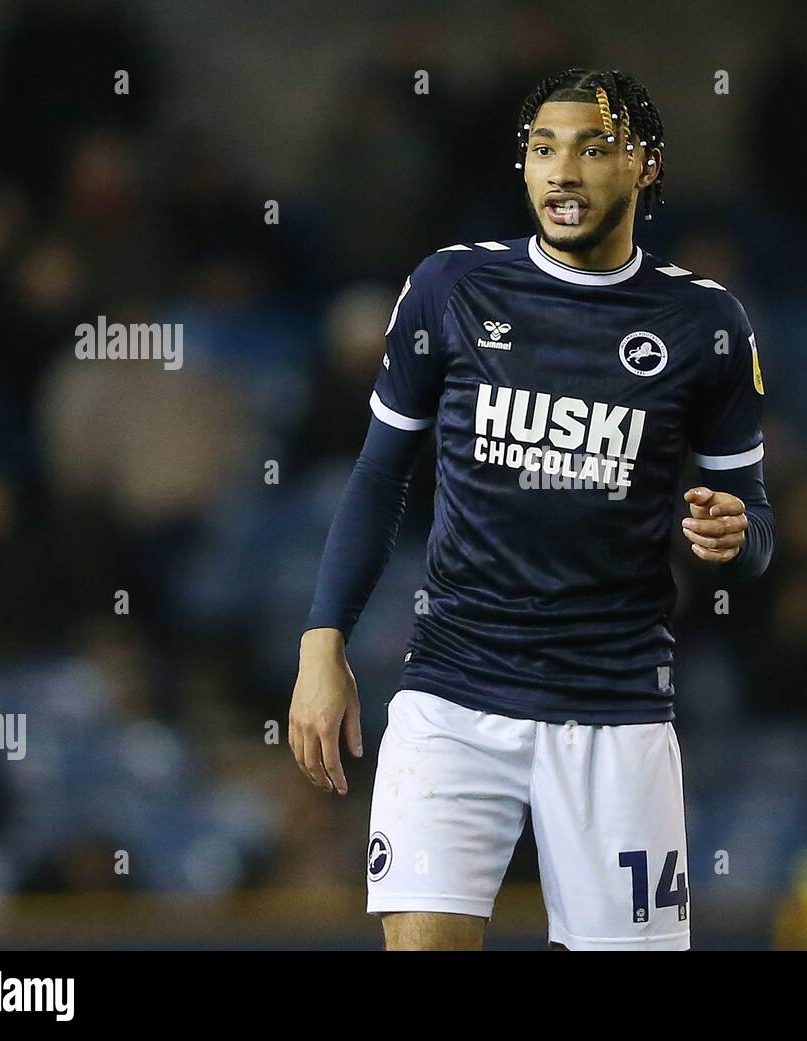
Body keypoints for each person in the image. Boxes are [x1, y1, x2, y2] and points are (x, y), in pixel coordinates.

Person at [288, 68, 774, 951]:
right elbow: (377, 476)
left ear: (646, 166)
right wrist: (324, 641)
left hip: (616, 707)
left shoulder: (705, 323)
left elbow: (756, 534)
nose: (563, 171)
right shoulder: (450, 289)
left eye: (594, 148)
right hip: (453, 695)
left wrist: (733, 538)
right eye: (544, 149)